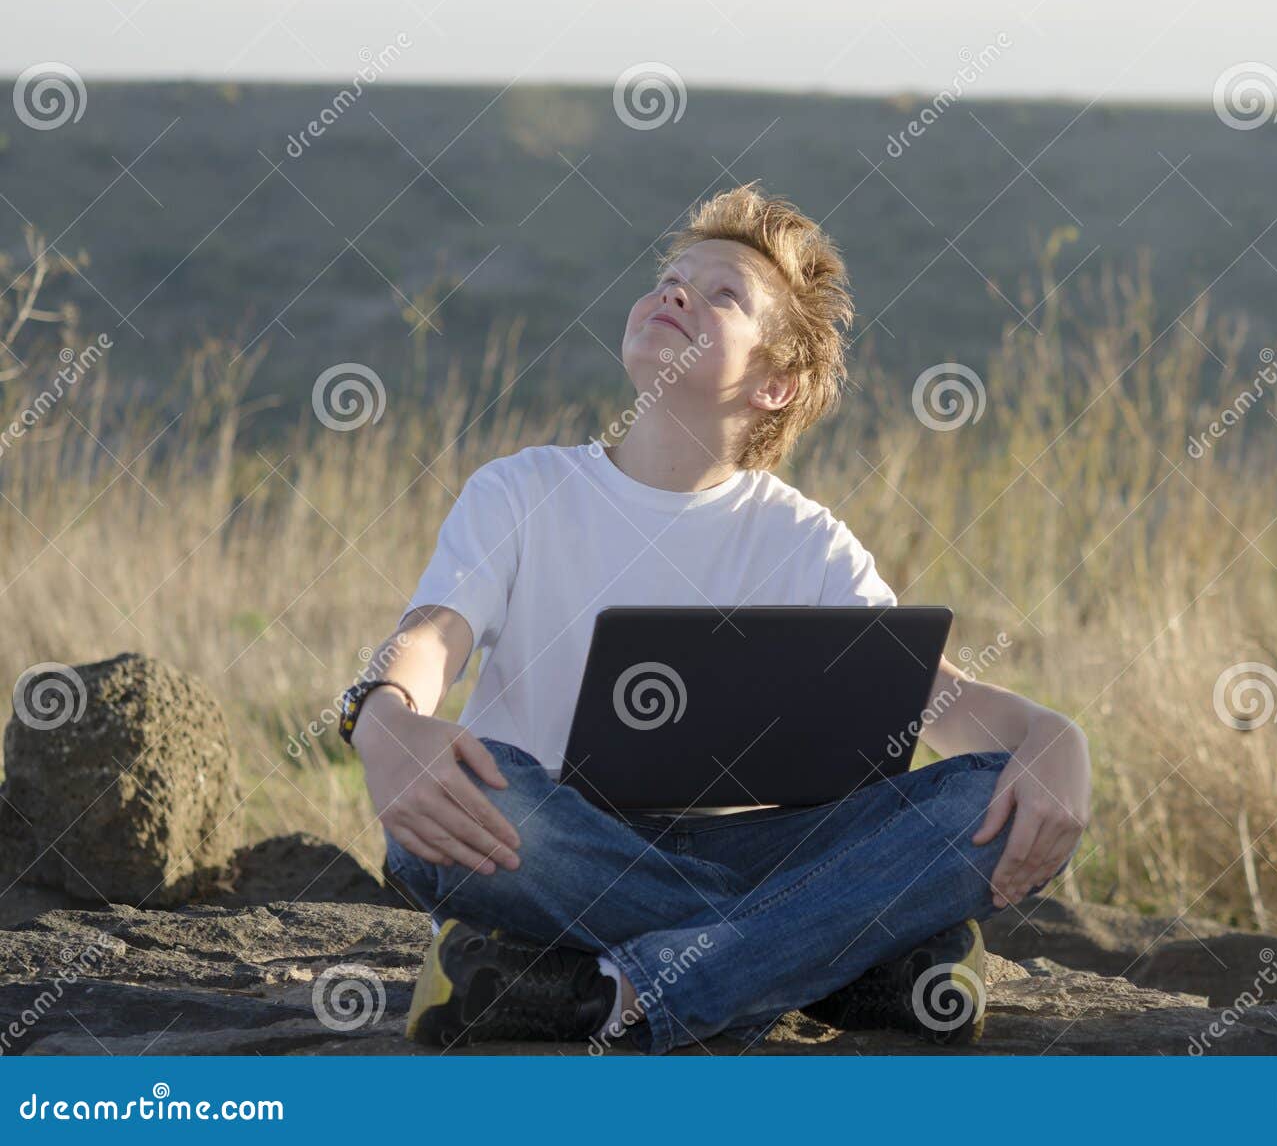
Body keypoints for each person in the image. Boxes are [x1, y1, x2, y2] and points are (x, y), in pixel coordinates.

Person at [344, 183, 1091, 1054]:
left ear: (776, 384)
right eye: (670, 278)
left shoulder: (810, 542)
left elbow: (940, 702)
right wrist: (385, 716)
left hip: (756, 851)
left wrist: (1054, 737)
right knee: (443, 813)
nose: (675, 293)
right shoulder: (522, 489)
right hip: (552, 838)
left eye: (721, 294)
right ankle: (847, 963)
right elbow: (437, 631)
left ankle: (607, 989)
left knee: (982, 798)